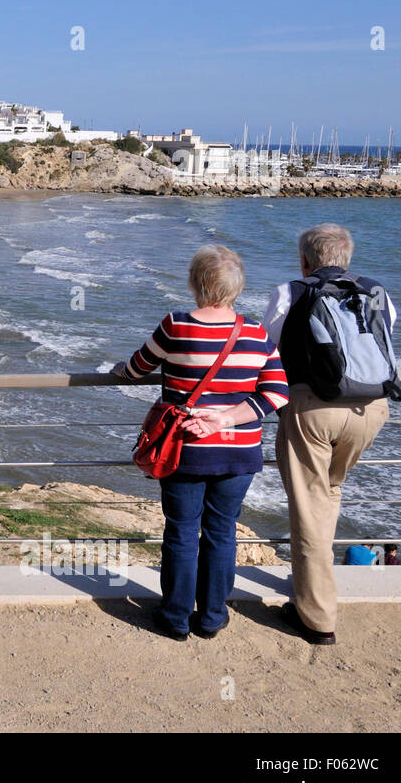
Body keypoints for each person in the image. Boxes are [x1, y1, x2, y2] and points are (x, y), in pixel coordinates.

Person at [112, 245, 289, 641]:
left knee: (180, 531)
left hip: (183, 451)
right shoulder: (256, 333)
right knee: (222, 531)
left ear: (195, 284)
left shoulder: (176, 325)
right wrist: (226, 418)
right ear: (238, 288)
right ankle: (211, 618)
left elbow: (139, 367)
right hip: (237, 452)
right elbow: (277, 393)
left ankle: (175, 617)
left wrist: (120, 370)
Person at [265, 224, 397, 645]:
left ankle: (317, 618)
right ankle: (312, 583)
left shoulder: (291, 291)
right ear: (348, 258)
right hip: (370, 409)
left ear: (304, 260)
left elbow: (269, 348)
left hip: (312, 408)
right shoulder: (376, 291)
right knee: (329, 492)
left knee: (308, 505)